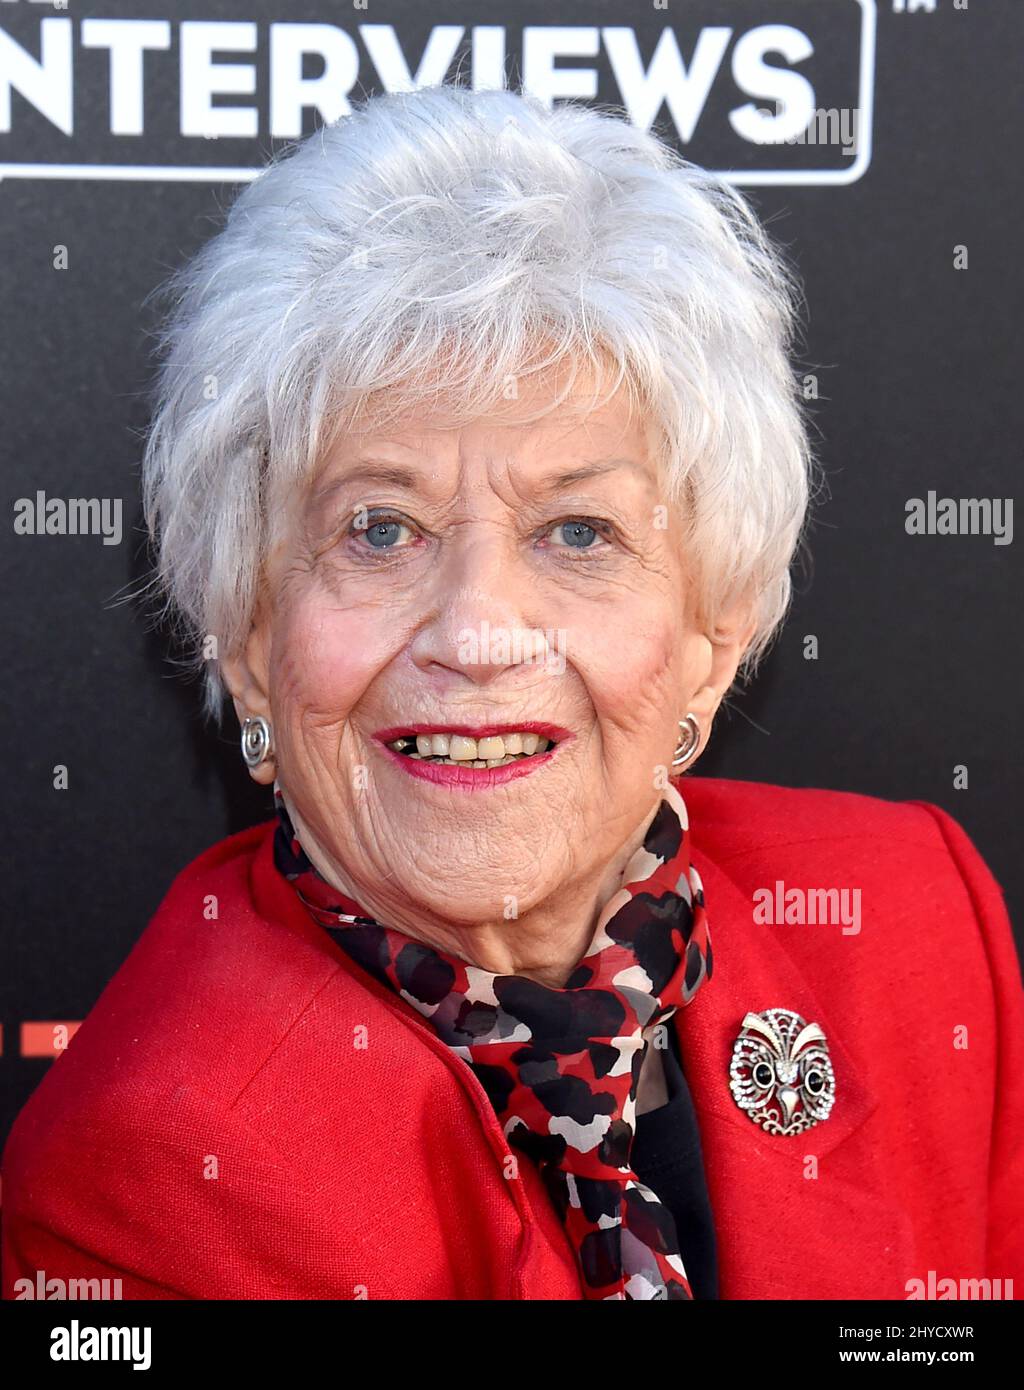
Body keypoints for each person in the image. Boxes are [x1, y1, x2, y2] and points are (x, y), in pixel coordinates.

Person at [3, 84, 1022, 1301]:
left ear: (713, 631)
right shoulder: (156, 1173)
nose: (479, 632)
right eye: (380, 530)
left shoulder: (914, 921)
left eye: (577, 531)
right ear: (246, 635)